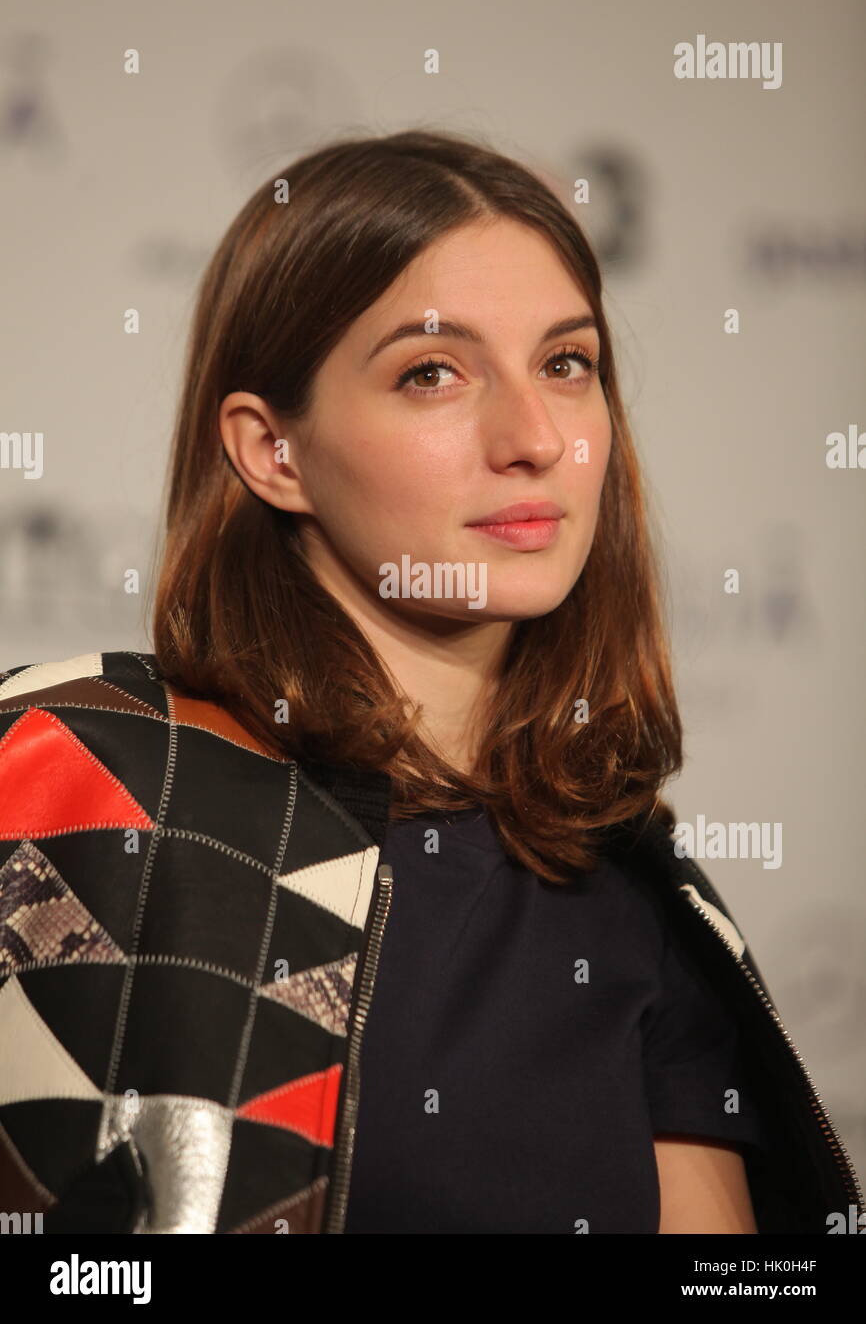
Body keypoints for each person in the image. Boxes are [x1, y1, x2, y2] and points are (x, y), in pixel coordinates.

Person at [0, 129, 860, 1235]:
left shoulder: (636, 894)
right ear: (273, 451)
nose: (533, 436)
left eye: (566, 363)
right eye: (432, 372)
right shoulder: (63, 776)